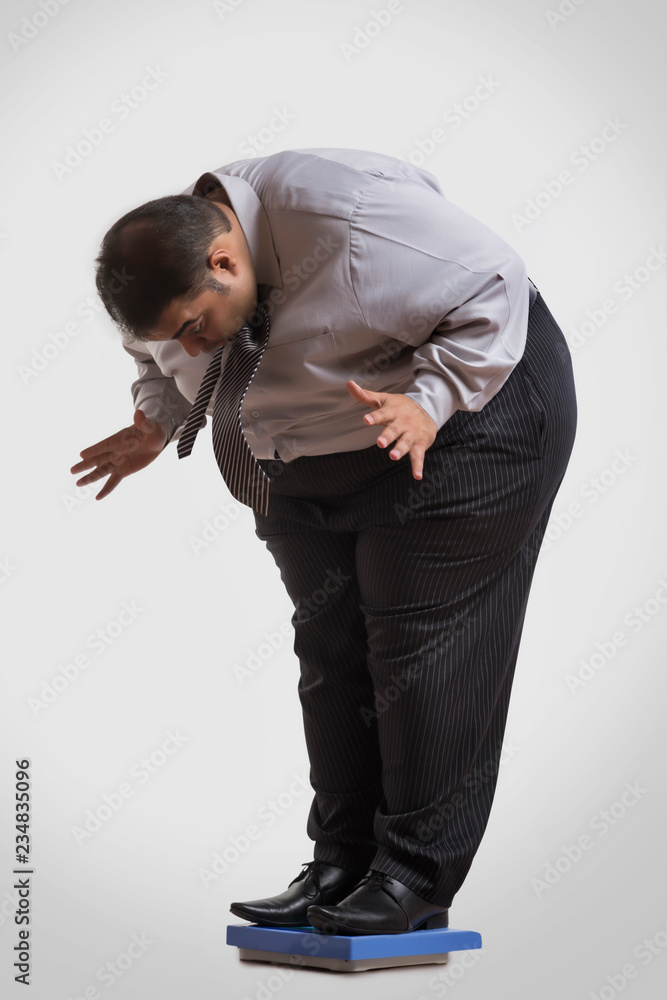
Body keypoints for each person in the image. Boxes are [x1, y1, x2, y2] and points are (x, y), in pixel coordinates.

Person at [72, 147, 577, 936]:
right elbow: (154, 350)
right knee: (331, 646)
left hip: (466, 411)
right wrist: (159, 417)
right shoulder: (166, 281)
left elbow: (493, 285)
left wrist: (433, 400)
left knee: (419, 648)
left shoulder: (350, 215)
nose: (194, 348)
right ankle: (341, 862)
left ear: (224, 258)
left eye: (197, 326)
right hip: (305, 440)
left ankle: (412, 876)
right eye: (180, 336)